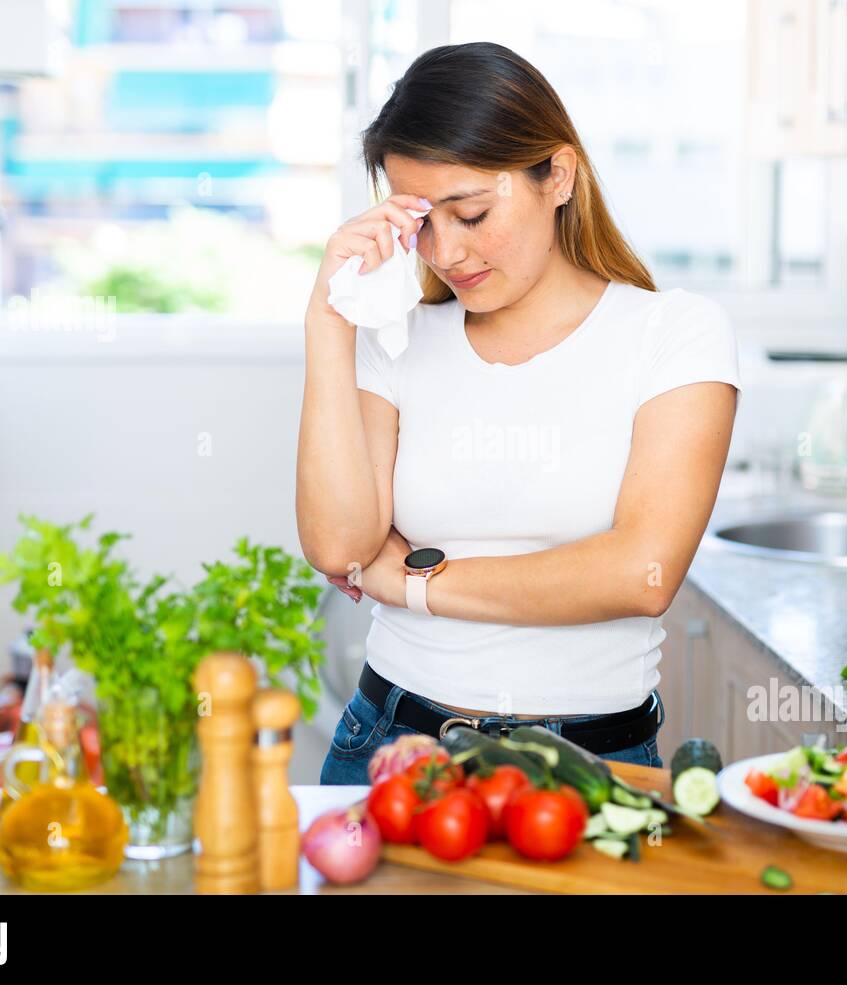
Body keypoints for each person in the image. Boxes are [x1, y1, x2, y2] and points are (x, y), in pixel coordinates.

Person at [297, 42, 741, 785]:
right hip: (393, 744)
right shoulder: (395, 337)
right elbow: (341, 545)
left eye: (470, 212)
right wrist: (326, 316)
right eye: (420, 222)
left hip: (596, 762)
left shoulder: (676, 334)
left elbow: (641, 573)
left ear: (557, 175)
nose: (446, 251)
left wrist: (410, 580)